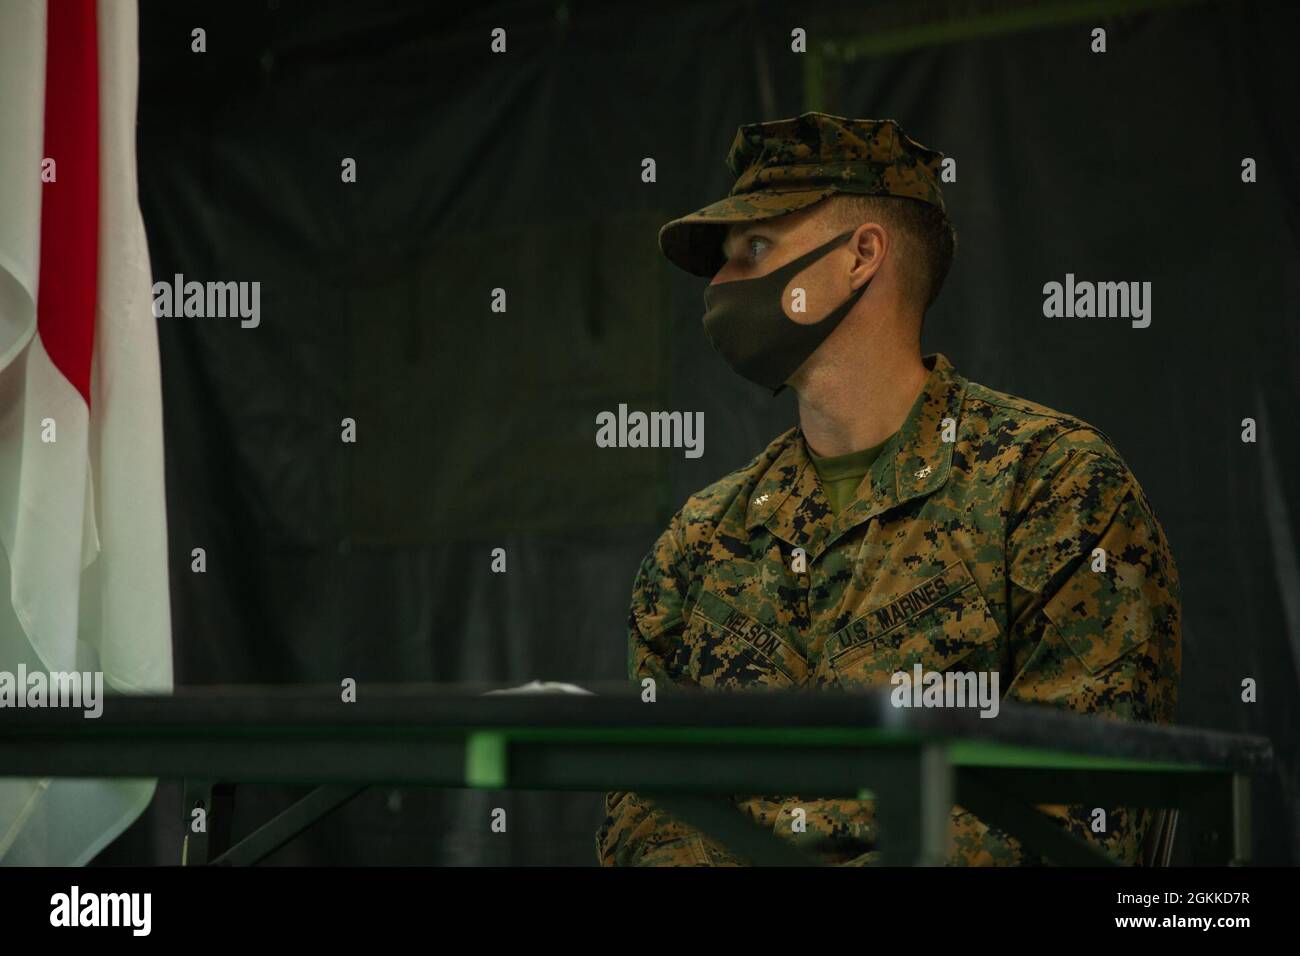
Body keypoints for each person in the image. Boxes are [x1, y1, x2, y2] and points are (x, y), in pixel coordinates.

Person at [594, 112, 1182, 866]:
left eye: (755, 249)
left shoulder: (1055, 488)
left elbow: (1078, 809)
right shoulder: (701, 542)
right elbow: (645, 813)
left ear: (861, 255)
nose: (719, 285)